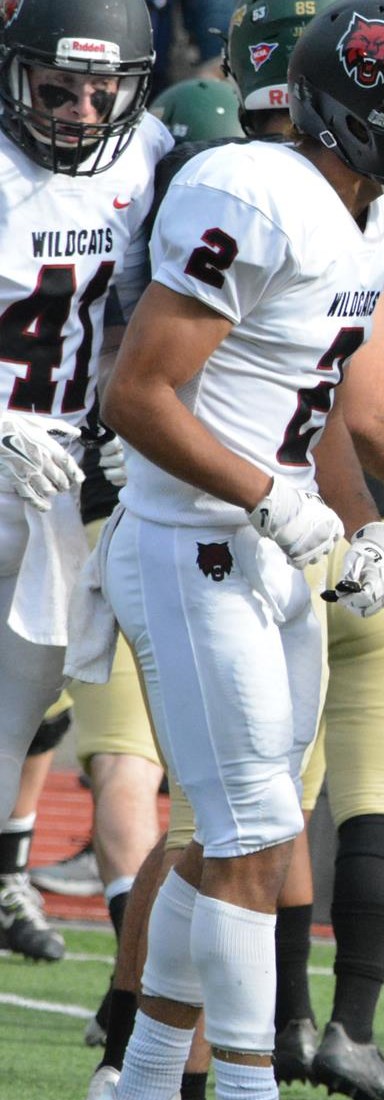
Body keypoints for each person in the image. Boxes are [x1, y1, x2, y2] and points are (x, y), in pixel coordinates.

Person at [75, 2, 384, 1100]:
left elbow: (347, 410)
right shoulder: (253, 192)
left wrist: (356, 528)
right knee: (258, 833)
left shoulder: (373, 223)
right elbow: (140, 393)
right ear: (360, 119)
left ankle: (138, 1097)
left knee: (225, 844)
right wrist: (272, 497)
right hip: (185, 538)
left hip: (267, 548)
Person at [0, 0, 168, 970]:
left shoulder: (148, 161)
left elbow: (150, 323)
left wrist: (124, 429)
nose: (75, 109)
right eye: (55, 86)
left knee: (24, 709)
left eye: (97, 90)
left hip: (59, 481)